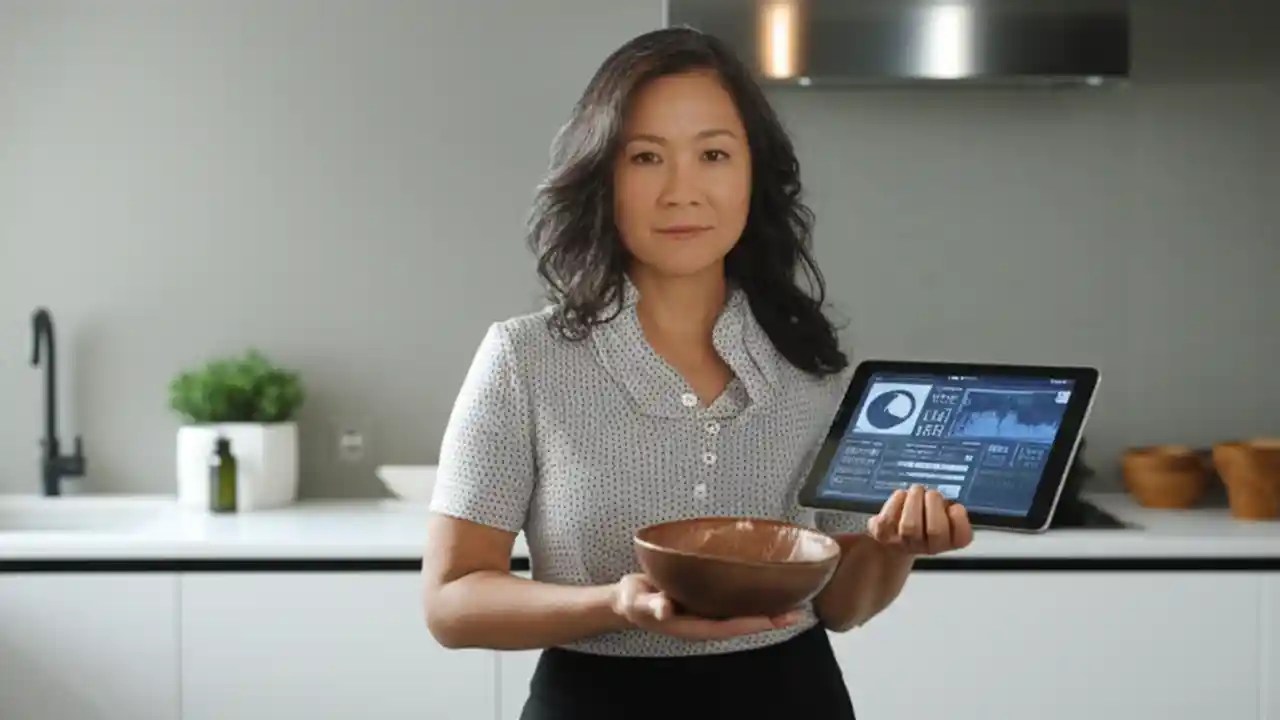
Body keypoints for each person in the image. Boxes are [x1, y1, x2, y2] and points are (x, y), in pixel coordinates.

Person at [421, 26, 974, 720]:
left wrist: (894, 549)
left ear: (753, 174)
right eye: (646, 157)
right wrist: (614, 604)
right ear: (603, 176)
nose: (682, 191)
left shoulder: (811, 365)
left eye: (713, 154)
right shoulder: (523, 360)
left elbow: (839, 606)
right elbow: (451, 603)